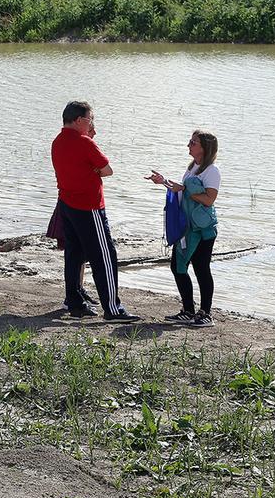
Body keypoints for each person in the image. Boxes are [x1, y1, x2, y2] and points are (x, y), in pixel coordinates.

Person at [50, 101, 139, 322]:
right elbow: (107, 171)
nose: (92, 125)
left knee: (74, 255)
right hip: (88, 207)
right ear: (79, 120)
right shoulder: (84, 143)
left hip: (67, 204)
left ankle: (75, 302)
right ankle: (113, 309)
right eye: (90, 120)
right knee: (105, 256)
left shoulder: (58, 141)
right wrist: (91, 158)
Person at [147, 130, 220, 328]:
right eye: (190, 141)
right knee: (178, 267)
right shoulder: (193, 167)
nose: (189, 145)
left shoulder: (211, 171)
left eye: (193, 142)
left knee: (201, 269)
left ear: (204, 148)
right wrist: (164, 181)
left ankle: (205, 313)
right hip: (187, 227)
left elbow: (209, 199)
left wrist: (186, 190)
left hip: (203, 230)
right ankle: (188, 311)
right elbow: (182, 192)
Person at [46, 121, 98, 308]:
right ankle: (73, 295)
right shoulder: (80, 145)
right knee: (74, 251)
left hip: (71, 203)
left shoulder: (82, 146)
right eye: (91, 129)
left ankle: (79, 290)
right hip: (72, 205)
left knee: (80, 253)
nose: (94, 133)